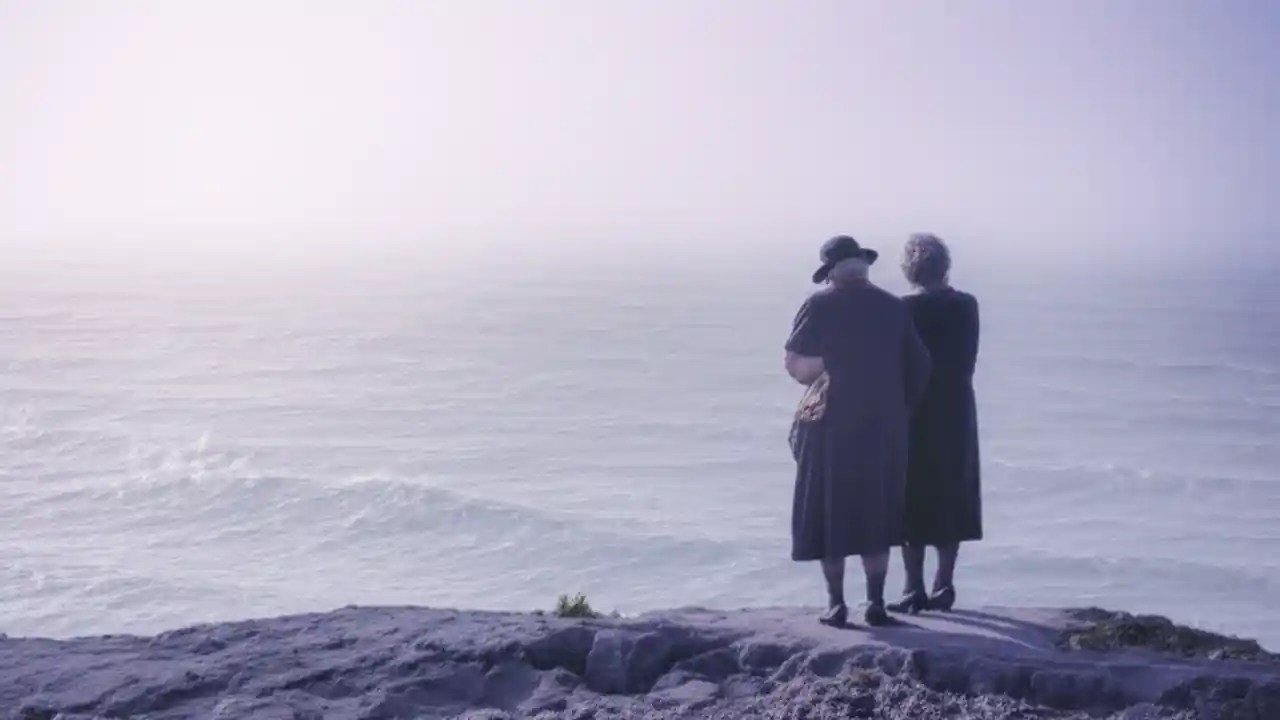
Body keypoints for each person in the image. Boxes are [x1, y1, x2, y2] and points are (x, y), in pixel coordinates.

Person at [785, 235, 932, 627]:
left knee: (829, 516)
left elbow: (796, 363)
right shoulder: (893, 307)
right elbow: (920, 367)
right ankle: (876, 601)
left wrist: (830, 369)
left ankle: (836, 604)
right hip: (883, 429)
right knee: (876, 517)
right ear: (863, 267)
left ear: (832, 272)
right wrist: (899, 410)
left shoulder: (818, 305)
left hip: (830, 428)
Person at [888, 233, 982, 615]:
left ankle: (913, 587)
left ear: (911, 269)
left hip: (914, 408)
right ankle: (945, 583)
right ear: (945, 266)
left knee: (910, 495)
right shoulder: (967, 305)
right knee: (952, 490)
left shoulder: (903, 308)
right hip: (956, 405)